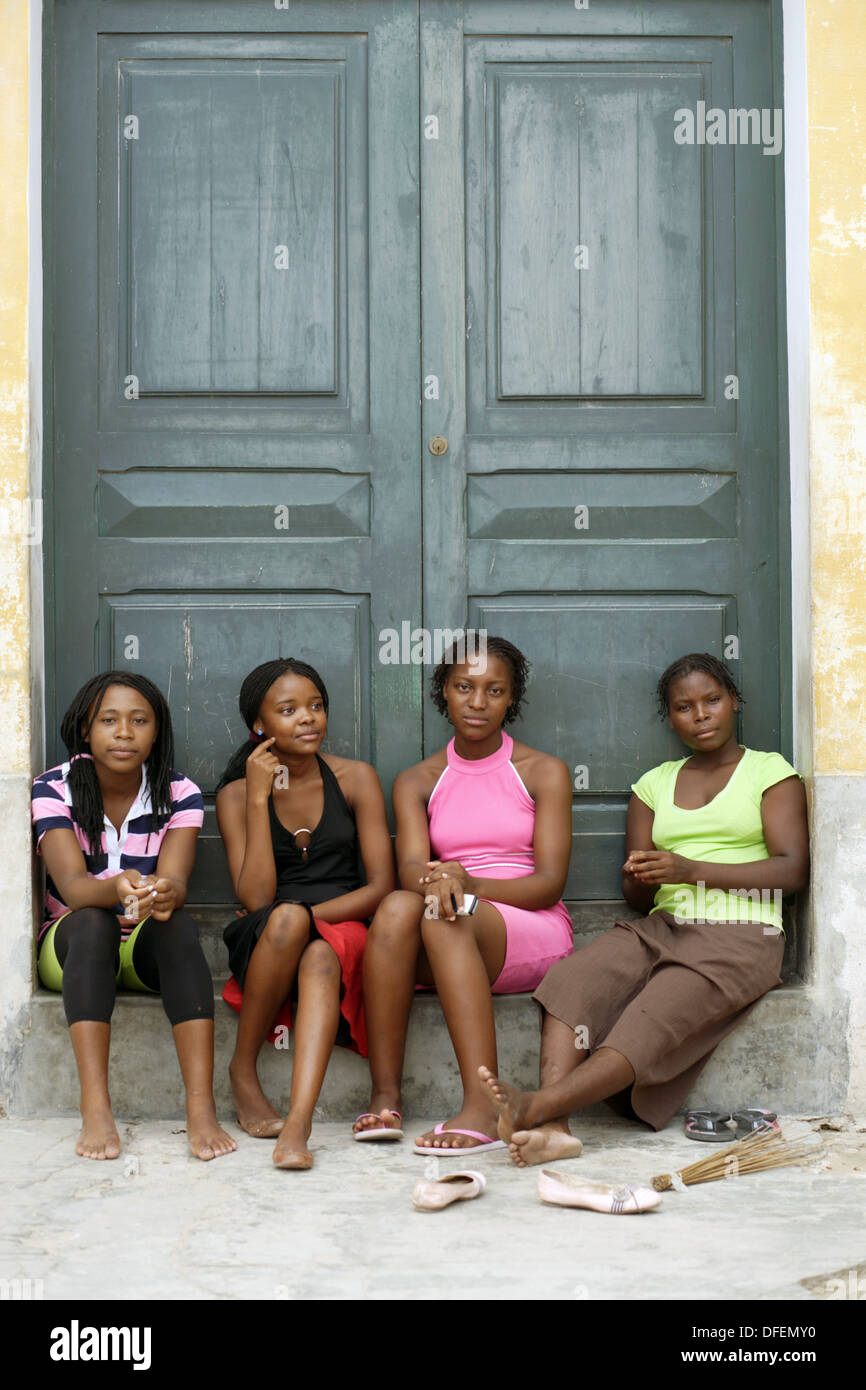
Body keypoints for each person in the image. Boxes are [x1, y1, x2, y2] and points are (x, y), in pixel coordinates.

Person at [479, 652, 810, 1167]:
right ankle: (557, 1131)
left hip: (745, 934)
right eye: (684, 707)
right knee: (573, 982)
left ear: (734, 702)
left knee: (650, 1018)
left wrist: (689, 869)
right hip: (663, 926)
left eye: (712, 700)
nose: (700, 715)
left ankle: (538, 1107)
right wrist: (642, 876)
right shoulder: (653, 785)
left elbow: (792, 872)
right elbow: (638, 896)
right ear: (670, 716)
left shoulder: (769, 772)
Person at [354, 636, 578, 1154]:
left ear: (511, 698)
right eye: (464, 688)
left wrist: (470, 884)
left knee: (442, 913)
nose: (478, 702)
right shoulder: (417, 780)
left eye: (494, 690)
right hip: (450, 917)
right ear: (444, 693)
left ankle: (483, 1105)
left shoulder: (543, 772)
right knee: (396, 907)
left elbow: (549, 884)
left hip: (526, 922)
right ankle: (385, 1093)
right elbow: (410, 868)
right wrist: (443, 882)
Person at [32, 671, 235, 1162]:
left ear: (156, 730)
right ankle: (96, 1106)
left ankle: (200, 1108)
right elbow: (76, 889)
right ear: (85, 729)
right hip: (73, 949)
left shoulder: (180, 793)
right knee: (94, 921)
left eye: (139, 721)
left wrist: (165, 893)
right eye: (109, 720)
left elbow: (177, 882)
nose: (124, 732)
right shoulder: (53, 789)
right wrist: (116, 888)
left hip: (143, 949)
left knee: (177, 925)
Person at [216, 658, 395, 1169]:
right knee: (286, 920)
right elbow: (255, 898)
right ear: (259, 726)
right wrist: (256, 798)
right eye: (289, 709)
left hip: (343, 923)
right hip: (268, 931)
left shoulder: (356, 778)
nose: (308, 718)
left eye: (316, 706)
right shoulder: (233, 796)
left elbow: (382, 886)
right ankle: (242, 1069)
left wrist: (308, 915)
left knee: (314, 950)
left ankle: (298, 1123)